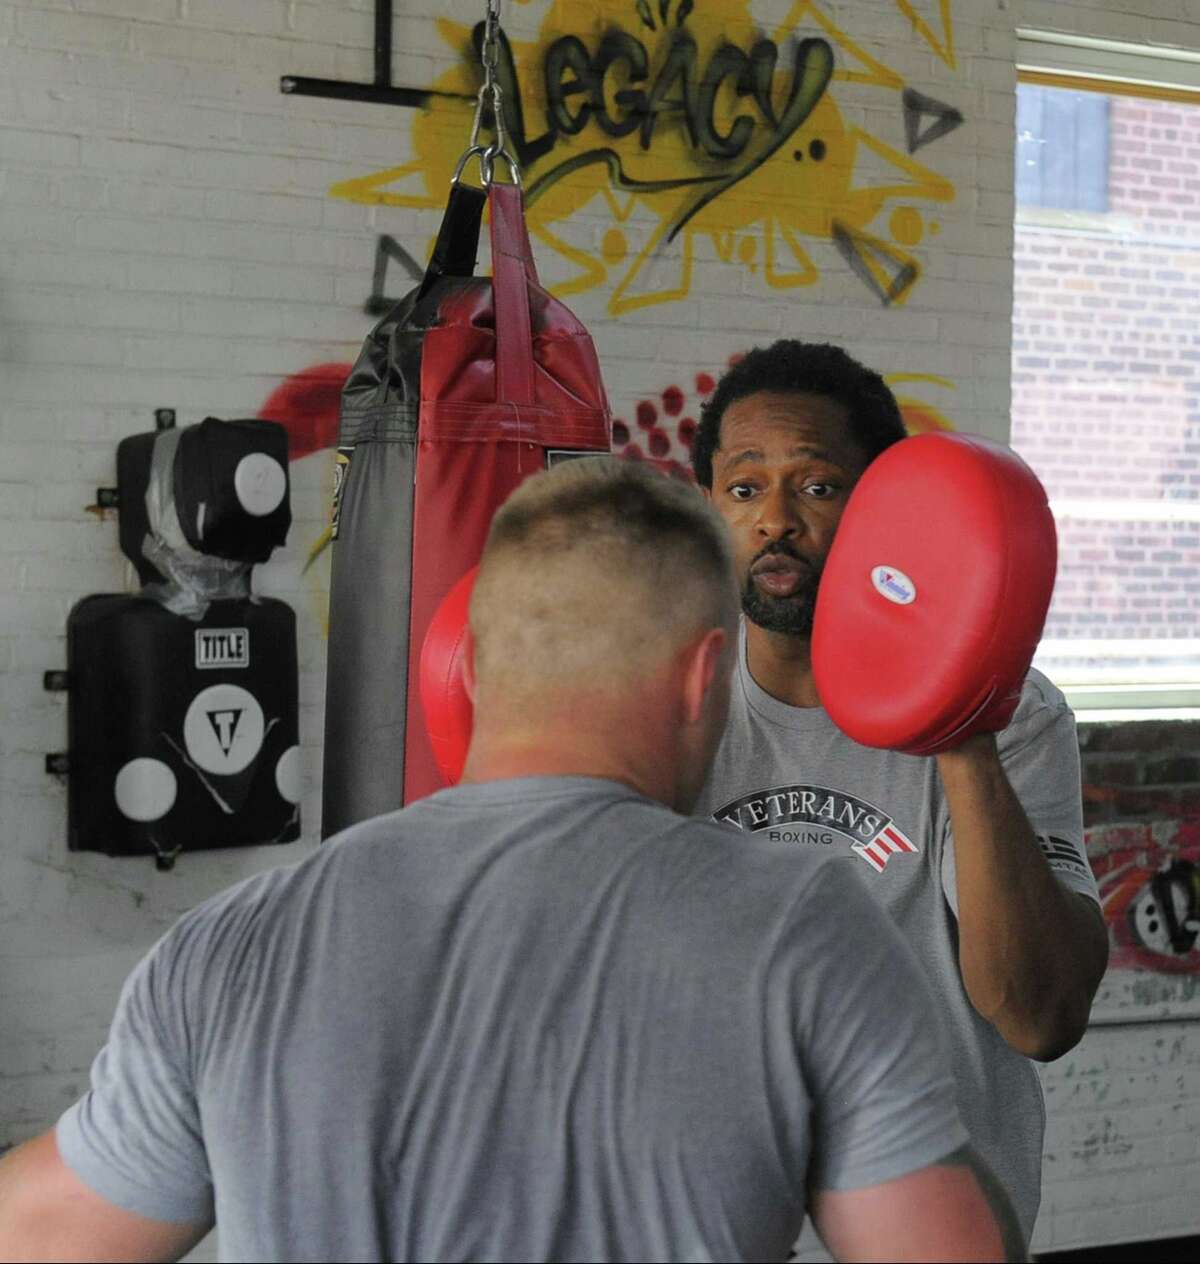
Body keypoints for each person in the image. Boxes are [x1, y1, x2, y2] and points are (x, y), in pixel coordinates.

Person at [0, 460, 1023, 1263]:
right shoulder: (806, 929)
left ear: (472, 667)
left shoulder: (228, 944)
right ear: (704, 674)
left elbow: (43, 1234)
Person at [691, 339, 1110, 1244]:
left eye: (817, 486)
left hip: (936, 1231)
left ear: (881, 510)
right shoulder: (669, 699)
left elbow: (1039, 1016)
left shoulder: (1016, 716)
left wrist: (957, 733)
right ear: (709, 508)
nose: (775, 520)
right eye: (743, 488)